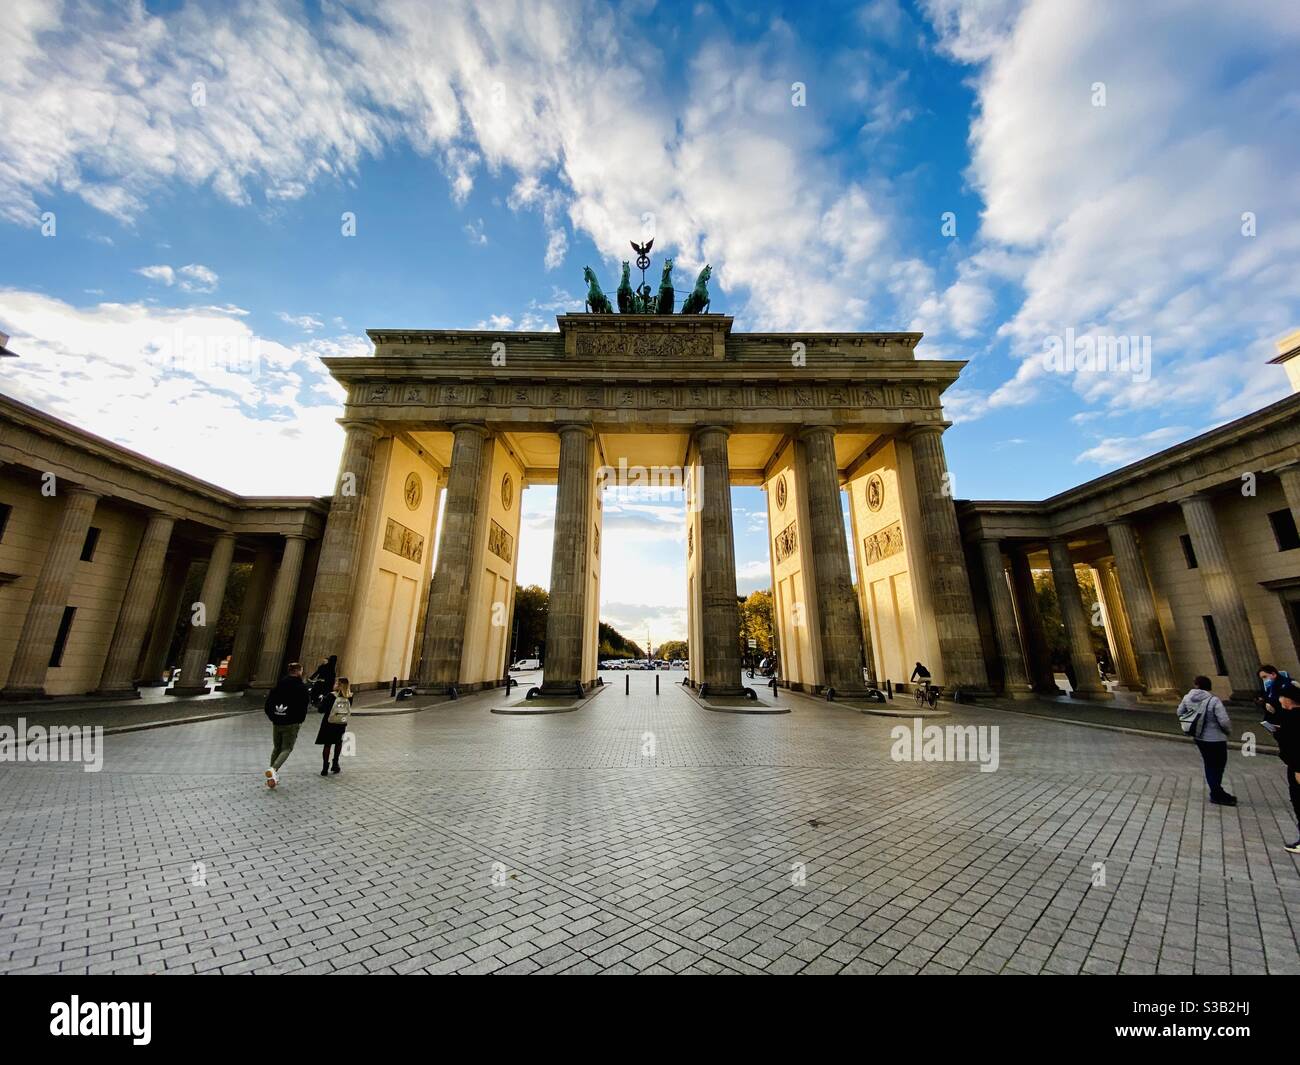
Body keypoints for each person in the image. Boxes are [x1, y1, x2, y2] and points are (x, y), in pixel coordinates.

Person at [1176, 676, 1236, 806]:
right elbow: (1224, 720)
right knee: (1219, 765)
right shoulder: (1213, 700)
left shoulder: (1187, 698)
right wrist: (1227, 731)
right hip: (1216, 738)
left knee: (1209, 764)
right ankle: (1216, 792)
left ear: (1196, 685)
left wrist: (1191, 718)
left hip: (1199, 737)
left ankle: (1216, 790)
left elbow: (1179, 711)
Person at [264, 662, 310, 789]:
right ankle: (273, 770)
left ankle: (272, 777)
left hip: (277, 720)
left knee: (276, 748)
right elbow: (304, 705)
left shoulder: (279, 685)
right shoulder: (301, 687)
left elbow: (269, 703)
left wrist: (272, 716)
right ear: (299, 671)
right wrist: (300, 719)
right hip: (292, 722)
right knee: (287, 748)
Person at [1272, 683, 1300, 853]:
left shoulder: (1292, 719)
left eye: (1281, 697)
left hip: (1297, 766)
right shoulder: (1290, 716)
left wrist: (1298, 768)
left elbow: (1294, 745)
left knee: (1299, 800)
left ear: (1288, 700)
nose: (1280, 700)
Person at [315, 676, 352, 776]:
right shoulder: (349, 696)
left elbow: (321, 709)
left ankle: (325, 767)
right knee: (338, 743)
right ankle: (335, 764)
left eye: (336, 683)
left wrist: (321, 701)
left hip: (329, 722)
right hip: (341, 723)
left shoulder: (331, 696)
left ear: (338, 685)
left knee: (327, 744)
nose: (334, 684)